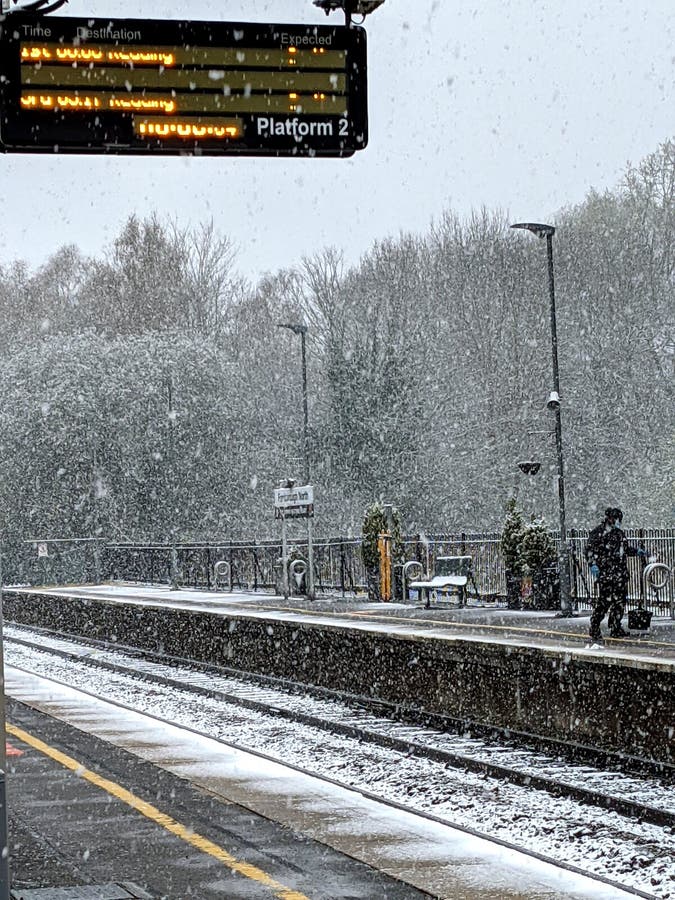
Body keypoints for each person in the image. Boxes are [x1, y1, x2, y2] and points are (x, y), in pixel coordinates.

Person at [585, 507, 646, 645]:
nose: (618, 522)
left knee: (619, 602)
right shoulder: (598, 533)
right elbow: (588, 550)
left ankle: (615, 626)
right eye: (616, 519)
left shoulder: (619, 533)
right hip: (607, 574)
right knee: (604, 603)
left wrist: (637, 551)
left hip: (619, 574)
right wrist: (592, 564)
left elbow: (624, 549)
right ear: (610, 518)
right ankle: (594, 626)